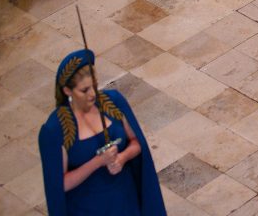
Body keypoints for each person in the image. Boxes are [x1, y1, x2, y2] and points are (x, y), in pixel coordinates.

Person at [38, 49, 166, 215]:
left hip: (125, 201)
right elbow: (60, 184)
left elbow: (136, 142)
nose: (92, 94)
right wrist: (98, 162)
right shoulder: (55, 130)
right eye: (84, 90)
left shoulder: (113, 102)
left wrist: (122, 157)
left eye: (94, 86)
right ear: (67, 91)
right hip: (87, 208)